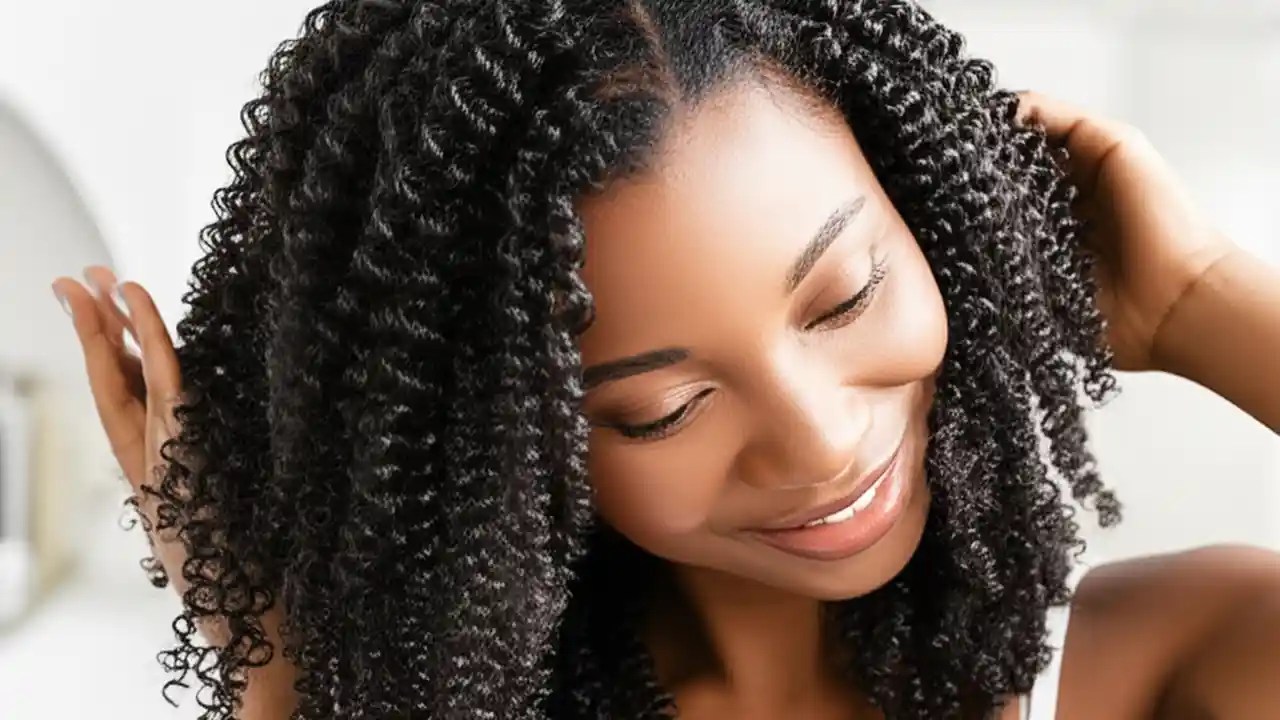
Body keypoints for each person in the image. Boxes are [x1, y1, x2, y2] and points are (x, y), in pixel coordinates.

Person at [49, 1, 1280, 718]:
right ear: (498, 449)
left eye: (845, 296)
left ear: (934, 222)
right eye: (659, 407)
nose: (816, 440)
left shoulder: (1163, 662)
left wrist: (1195, 300)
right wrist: (274, 663)